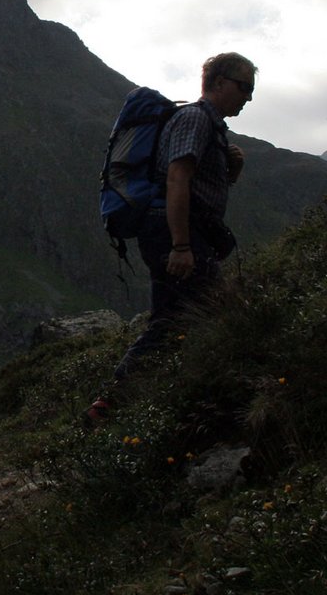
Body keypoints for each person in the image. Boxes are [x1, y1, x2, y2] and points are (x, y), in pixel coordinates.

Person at [83, 53, 256, 427]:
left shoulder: (209, 127)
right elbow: (177, 179)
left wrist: (233, 170)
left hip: (180, 231)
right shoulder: (195, 119)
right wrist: (181, 246)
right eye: (245, 88)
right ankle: (115, 406)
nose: (249, 98)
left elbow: (200, 185)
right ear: (219, 82)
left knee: (181, 316)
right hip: (174, 232)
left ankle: (128, 404)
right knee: (202, 312)